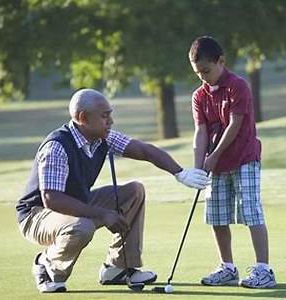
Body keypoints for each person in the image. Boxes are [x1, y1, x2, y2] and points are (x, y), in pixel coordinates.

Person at [16, 88, 211, 293]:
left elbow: (144, 150)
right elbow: (52, 199)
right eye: (104, 116)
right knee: (82, 227)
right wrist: (102, 214)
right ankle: (47, 266)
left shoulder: (102, 136)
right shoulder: (57, 146)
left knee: (134, 192)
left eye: (110, 115)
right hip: (37, 215)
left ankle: (118, 268)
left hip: (75, 205)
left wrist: (180, 173)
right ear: (83, 118)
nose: (111, 121)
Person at [188, 36, 276, 289]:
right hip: (216, 166)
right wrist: (197, 168)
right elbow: (200, 131)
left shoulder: (239, 86)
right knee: (216, 215)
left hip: (244, 158)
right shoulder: (199, 96)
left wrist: (214, 156)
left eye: (206, 70)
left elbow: (235, 125)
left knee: (251, 211)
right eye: (197, 73)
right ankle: (227, 267)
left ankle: (263, 270)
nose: (203, 77)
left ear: (221, 61)